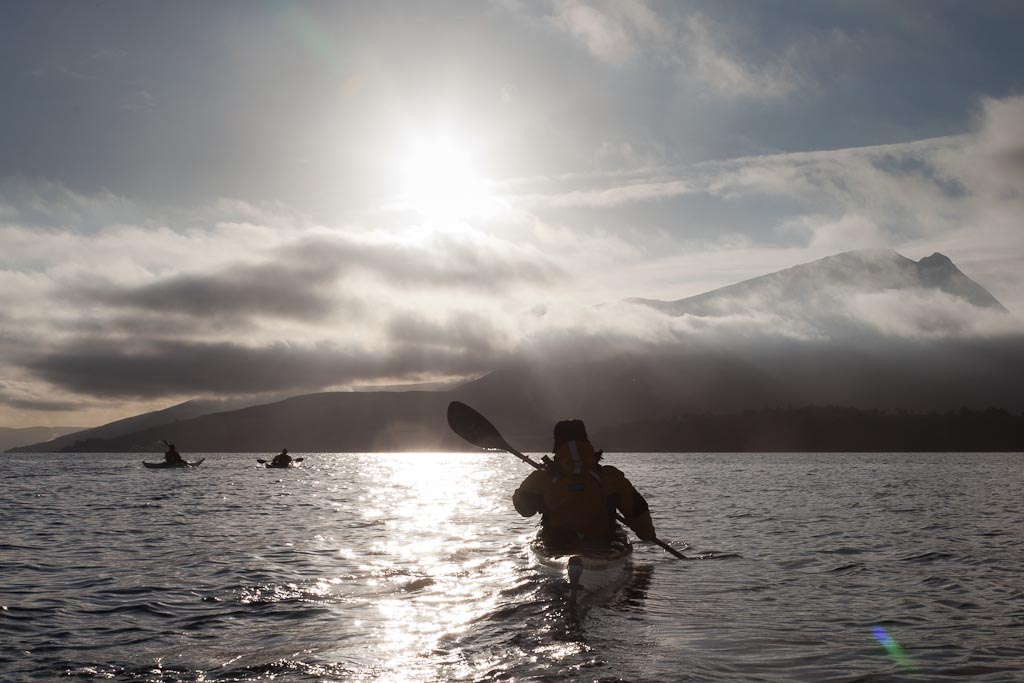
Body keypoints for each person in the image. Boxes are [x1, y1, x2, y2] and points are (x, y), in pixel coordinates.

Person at [513, 419, 656, 549]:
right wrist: (647, 533)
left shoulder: (542, 478)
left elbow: (525, 510)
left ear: (557, 445)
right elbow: (638, 511)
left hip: (557, 544)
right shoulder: (610, 476)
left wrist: (523, 493)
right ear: (586, 441)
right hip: (601, 545)